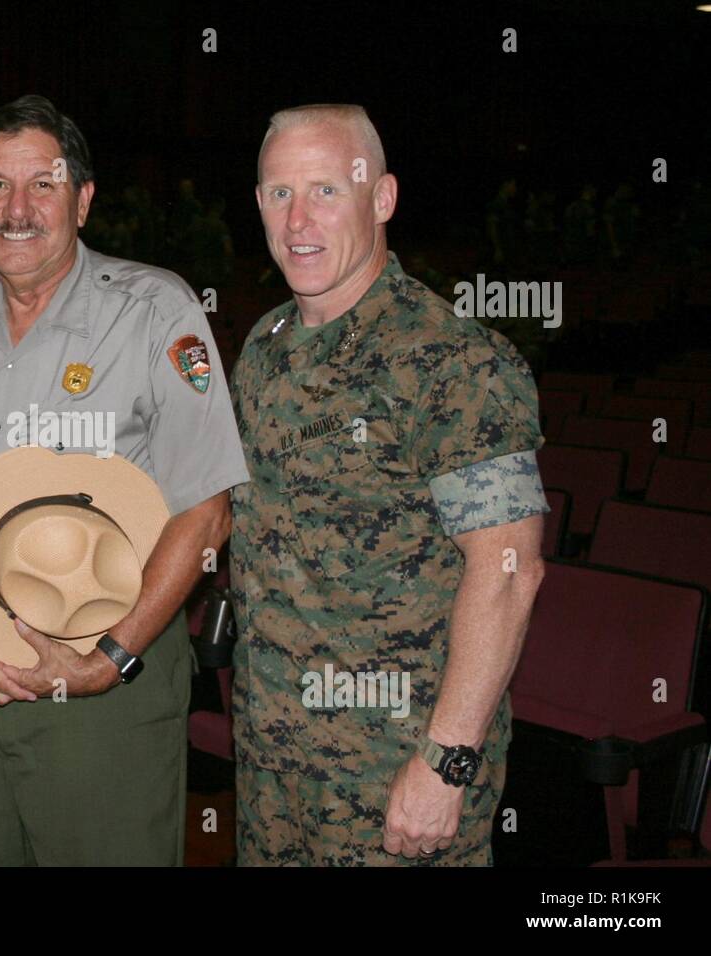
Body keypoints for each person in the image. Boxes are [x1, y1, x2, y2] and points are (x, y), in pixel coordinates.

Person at [0, 95, 249, 866]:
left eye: (43, 184)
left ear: (82, 199)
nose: (17, 209)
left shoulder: (153, 311)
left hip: (105, 684)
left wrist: (109, 659)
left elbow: (207, 510)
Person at [230, 104, 547, 866]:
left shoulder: (452, 362)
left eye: (326, 191)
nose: (298, 220)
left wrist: (448, 763)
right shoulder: (263, 348)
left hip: (392, 776)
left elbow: (509, 571)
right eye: (278, 194)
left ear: (383, 198)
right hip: (273, 767)